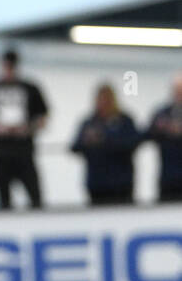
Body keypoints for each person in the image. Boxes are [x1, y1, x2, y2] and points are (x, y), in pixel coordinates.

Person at [0, 48, 48, 209]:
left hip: (24, 150)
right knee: (3, 199)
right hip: (0, 151)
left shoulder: (30, 88)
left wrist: (27, 129)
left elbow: (42, 117)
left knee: (35, 196)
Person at [70, 83, 140, 205]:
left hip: (121, 182)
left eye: (106, 100)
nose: (102, 104)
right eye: (100, 100)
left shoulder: (124, 121)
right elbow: (74, 147)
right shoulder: (89, 122)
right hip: (96, 182)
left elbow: (133, 143)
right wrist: (88, 141)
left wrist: (105, 139)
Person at [145, 73, 182, 201]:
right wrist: (161, 128)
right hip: (168, 176)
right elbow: (147, 134)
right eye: (177, 91)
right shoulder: (162, 113)